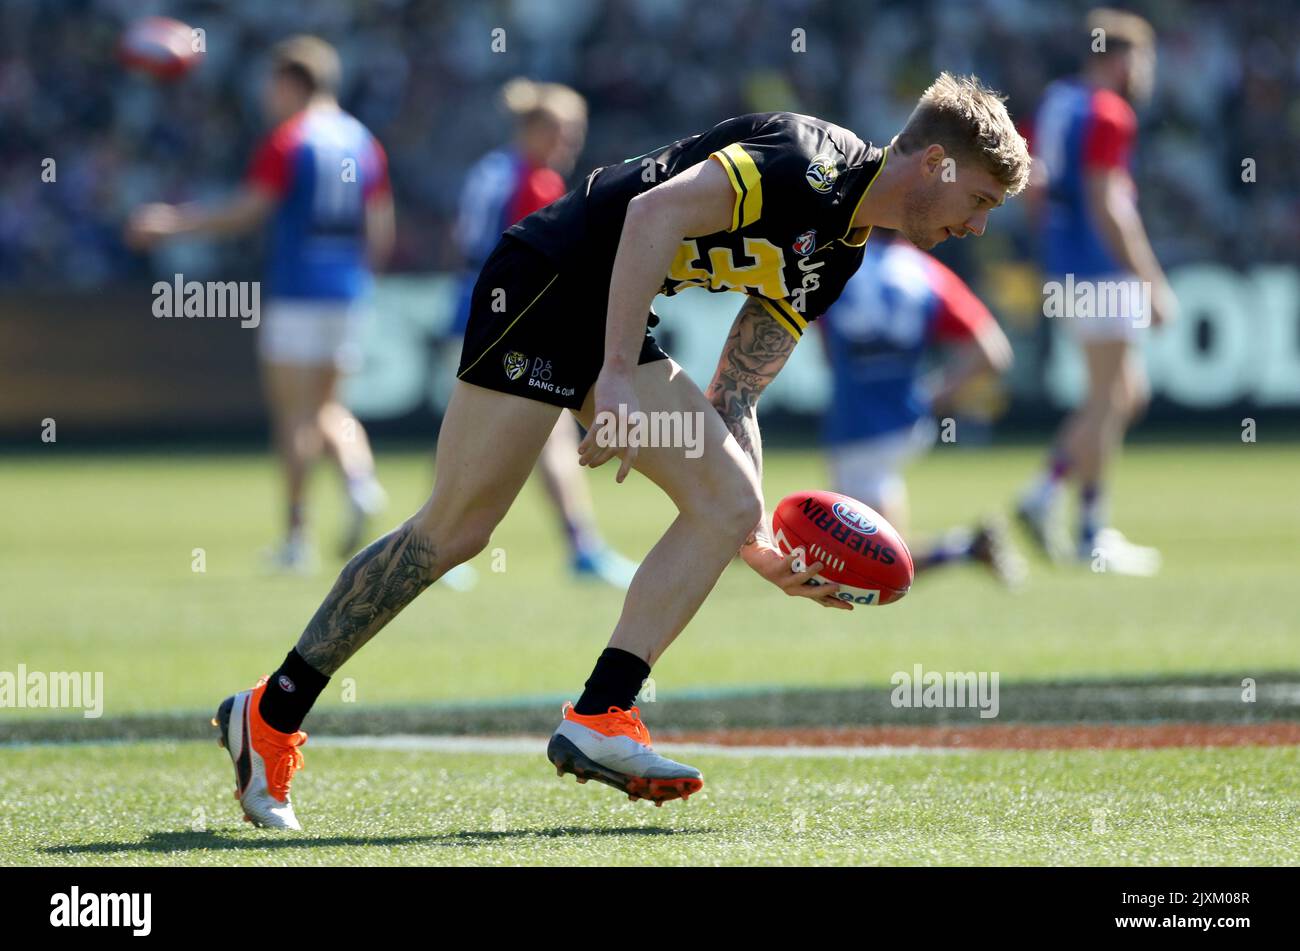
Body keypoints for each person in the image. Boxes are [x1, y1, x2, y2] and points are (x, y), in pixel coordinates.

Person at [214, 73, 1031, 829]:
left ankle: (602, 714)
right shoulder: (805, 161)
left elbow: (736, 393)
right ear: (935, 162)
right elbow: (651, 215)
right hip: (548, 277)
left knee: (729, 500)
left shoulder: (840, 250)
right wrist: (612, 376)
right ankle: (272, 711)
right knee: (456, 530)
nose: (979, 224)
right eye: (982, 199)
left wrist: (756, 543)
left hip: (614, 317)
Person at [126, 36, 393, 572]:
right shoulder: (363, 142)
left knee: (294, 416)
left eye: (273, 86)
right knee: (328, 407)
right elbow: (380, 227)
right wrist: (362, 280)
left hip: (297, 291)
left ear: (293, 82)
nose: (268, 98)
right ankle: (360, 480)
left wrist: (174, 225)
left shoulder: (289, 140)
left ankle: (296, 539)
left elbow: (250, 210)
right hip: (346, 290)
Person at [449, 78, 637, 588]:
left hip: (475, 312)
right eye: (563, 130)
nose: (570, 143)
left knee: (488, 437)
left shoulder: (489, 170)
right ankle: (581, 548)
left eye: (577, 131)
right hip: (515, 322)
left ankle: (441, 544)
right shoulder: (537, 183)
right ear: (534, 128)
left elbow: (464, 243)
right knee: (542, 437)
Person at [1016, 8, 1174, 575]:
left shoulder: (1057, 102)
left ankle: (1043, 494)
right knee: (1109, 398)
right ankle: (1089, 533)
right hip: (1101, 270)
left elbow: (1032, 185)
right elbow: (1109, 204)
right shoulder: (1109, 112)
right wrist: (1151, 281)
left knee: (1124, 394)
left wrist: (1051, 260)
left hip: (1067, 267)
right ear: (1122, 57)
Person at [819, 233, 1025, 587]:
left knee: (872, 561)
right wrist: (928, 397)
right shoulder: (924, 271)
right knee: (875, 550)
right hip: (903, 420)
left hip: (858, 423)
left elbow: (825, 346)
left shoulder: (834, 262)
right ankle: (971, 548)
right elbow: (993, 353)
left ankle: (740, 537)